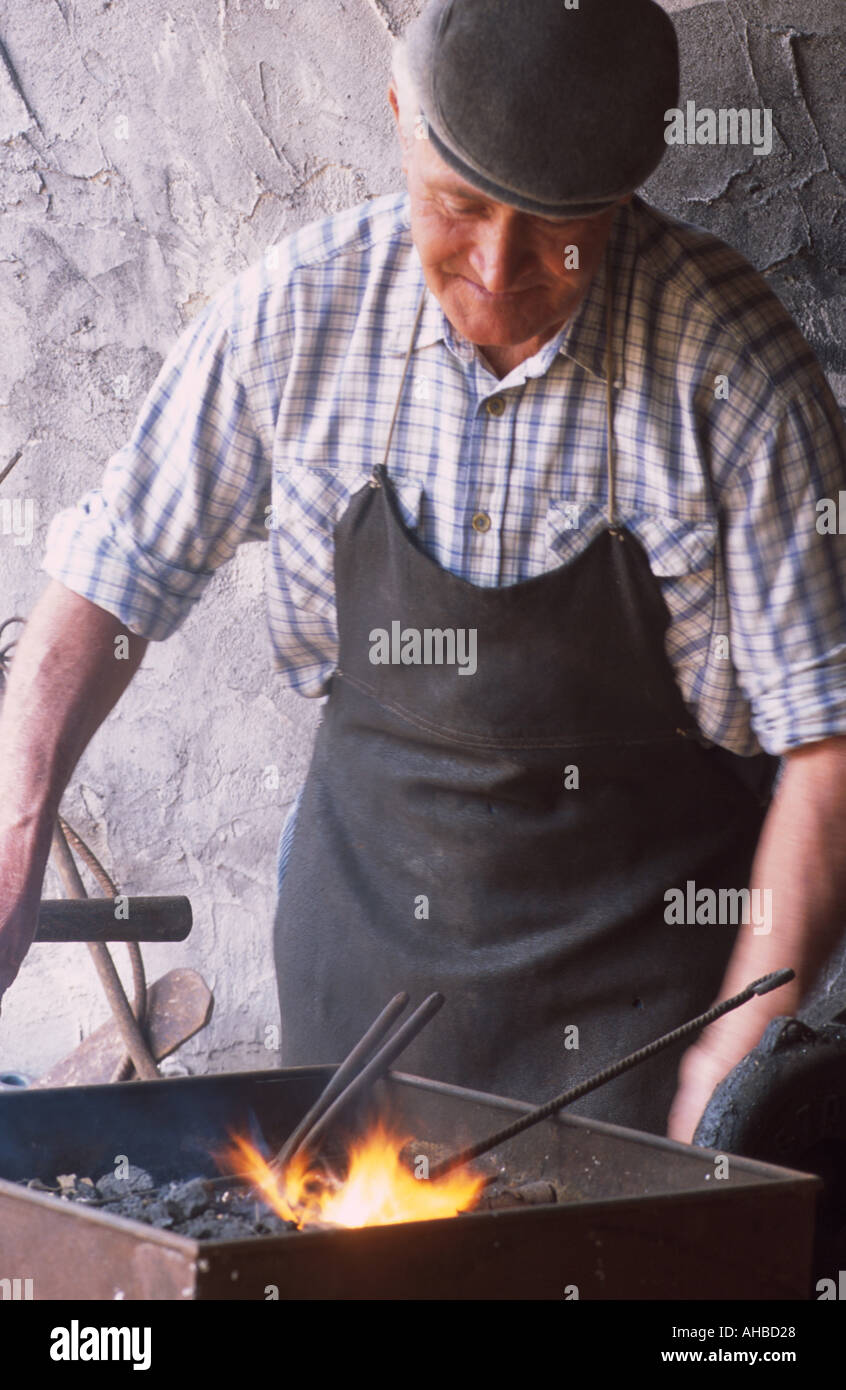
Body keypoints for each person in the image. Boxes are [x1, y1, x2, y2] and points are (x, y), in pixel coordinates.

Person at [1, 0, 844, 1141]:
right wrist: (15, 827)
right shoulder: (298, 313)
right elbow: (111, 574)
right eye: (458, 206)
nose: (499, 268)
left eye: (558, 227)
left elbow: (827, 744)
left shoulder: (735, 375)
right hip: (355, 1020)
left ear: (626, 188)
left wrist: (747, 1042)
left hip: (636, 1041)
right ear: (401, 118)